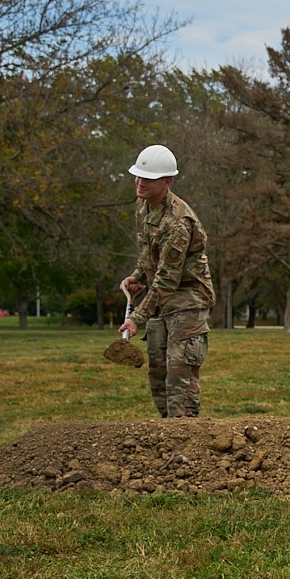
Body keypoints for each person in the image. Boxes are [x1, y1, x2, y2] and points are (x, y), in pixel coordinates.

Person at [118, 144, 214, 418]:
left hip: (188, 301)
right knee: (158, 372)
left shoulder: (178, 223)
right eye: (138, 176)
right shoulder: (143, 207)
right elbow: (148, 253)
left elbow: (166, 281)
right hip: (162, 302)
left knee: (179, 374)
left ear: (166, 182)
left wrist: (136, 318)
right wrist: (137, 276)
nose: (140, 183)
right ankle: (167, 437)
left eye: (147, 179)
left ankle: (186, 439)